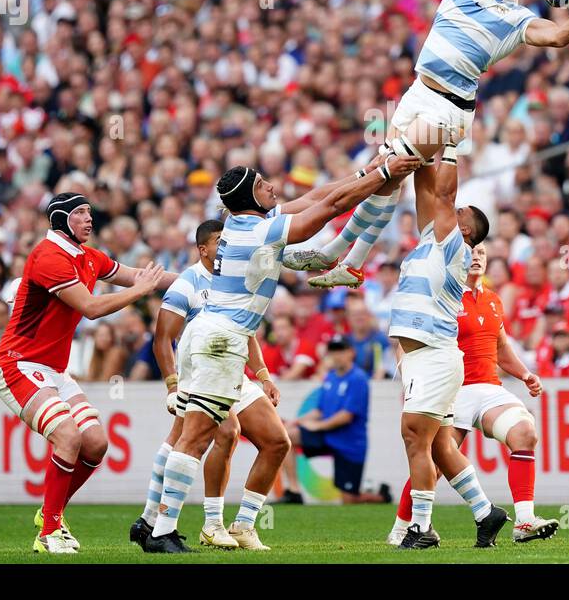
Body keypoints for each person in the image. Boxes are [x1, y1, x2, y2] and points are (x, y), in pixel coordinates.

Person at [287, 0, 569, 288]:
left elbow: (561, 36)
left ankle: (333, 250)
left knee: (385, 168)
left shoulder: (520, 20)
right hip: (417, 91)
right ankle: (353, 262)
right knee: (389, 177)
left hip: (449, 107)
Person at [145, 153, 422, 553]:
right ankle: (162, 530)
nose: (271, 186)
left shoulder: (248, 224)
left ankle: (233, 526)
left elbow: (319, 195)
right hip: (220, 341)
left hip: (219, 339)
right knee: (195, 437)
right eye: (262, 184)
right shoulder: (261, 232)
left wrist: (369, 171)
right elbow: (328, 207)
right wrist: (382, 174)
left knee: (273, 440)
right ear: (248, 196)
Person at [0, 192, 171, 554]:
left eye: (90, 212)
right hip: (18, 363)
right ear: (60, 220)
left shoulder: (88, 256)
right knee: (69, 437)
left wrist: (202, 280)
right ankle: (49, 532)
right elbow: (89, 307)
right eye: (81, 213)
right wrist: (140, 291)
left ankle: (49, 513)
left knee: (96, 444)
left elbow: (141, 274)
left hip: (54, 369)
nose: (90, 219)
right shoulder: (48, 256)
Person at [130, 219, 292, 552]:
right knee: (221, 434)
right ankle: (209, 523)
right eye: (220, 241)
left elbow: (244, 330)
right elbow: (162, 339)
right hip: (201, 374)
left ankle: (244, 524)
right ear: (203, 249)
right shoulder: (188, 282)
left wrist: (262, 375)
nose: (227, 246)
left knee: (277, 441)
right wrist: (172, 385)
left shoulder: (234, 278)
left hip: (233, 369)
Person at [389, 241, 557, 544]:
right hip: (452, 388)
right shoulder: (442, 297)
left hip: (488, 387)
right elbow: (406, 340)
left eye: (480, 253)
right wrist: (410, 379)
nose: (475, 258)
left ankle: (524, 521)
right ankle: (403, 527)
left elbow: (501, 346)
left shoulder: (493, 300)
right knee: (434, 460)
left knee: (525, 432)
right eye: (469, 254)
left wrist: (525, 373)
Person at [389, 143, 506, 550]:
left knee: (414, 437)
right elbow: (427, 192)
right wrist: (420, 150)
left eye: (459, 215)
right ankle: (485, 513)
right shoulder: (431, 238)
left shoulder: (454, 244)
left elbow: (443, 195)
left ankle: (421, 528)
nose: (451, 213)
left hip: (434, 357)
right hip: (429, 356)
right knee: (438, 444)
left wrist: (453, 147)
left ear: (467, 231)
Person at [280, 337, 382, 504]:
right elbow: (319, 410)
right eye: (333, 351)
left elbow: (347, 416)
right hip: (328, 436)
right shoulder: (330, 377)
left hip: (349, 443)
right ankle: (294, 491)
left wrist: (318, 426)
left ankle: (380, 497)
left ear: (351, 352)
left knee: (349, 499)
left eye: (341, 350)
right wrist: (297, 422)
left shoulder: (358, 378)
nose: (336, 355)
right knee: (288, 436)